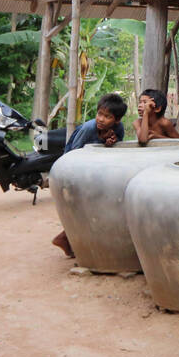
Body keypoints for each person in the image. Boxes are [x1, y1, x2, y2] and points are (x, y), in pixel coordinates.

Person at [54, 93, 128, 257]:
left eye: (107, 117)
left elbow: (117, 148)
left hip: (96, 173)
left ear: (117, 120)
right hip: (76, 172)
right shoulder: (89, 128)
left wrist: (109, 144)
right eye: (99, 114)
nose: (101, 119)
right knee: (85, 209)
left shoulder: (118, 128)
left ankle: (67, 239)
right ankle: (67, 239)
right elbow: (74, 153)